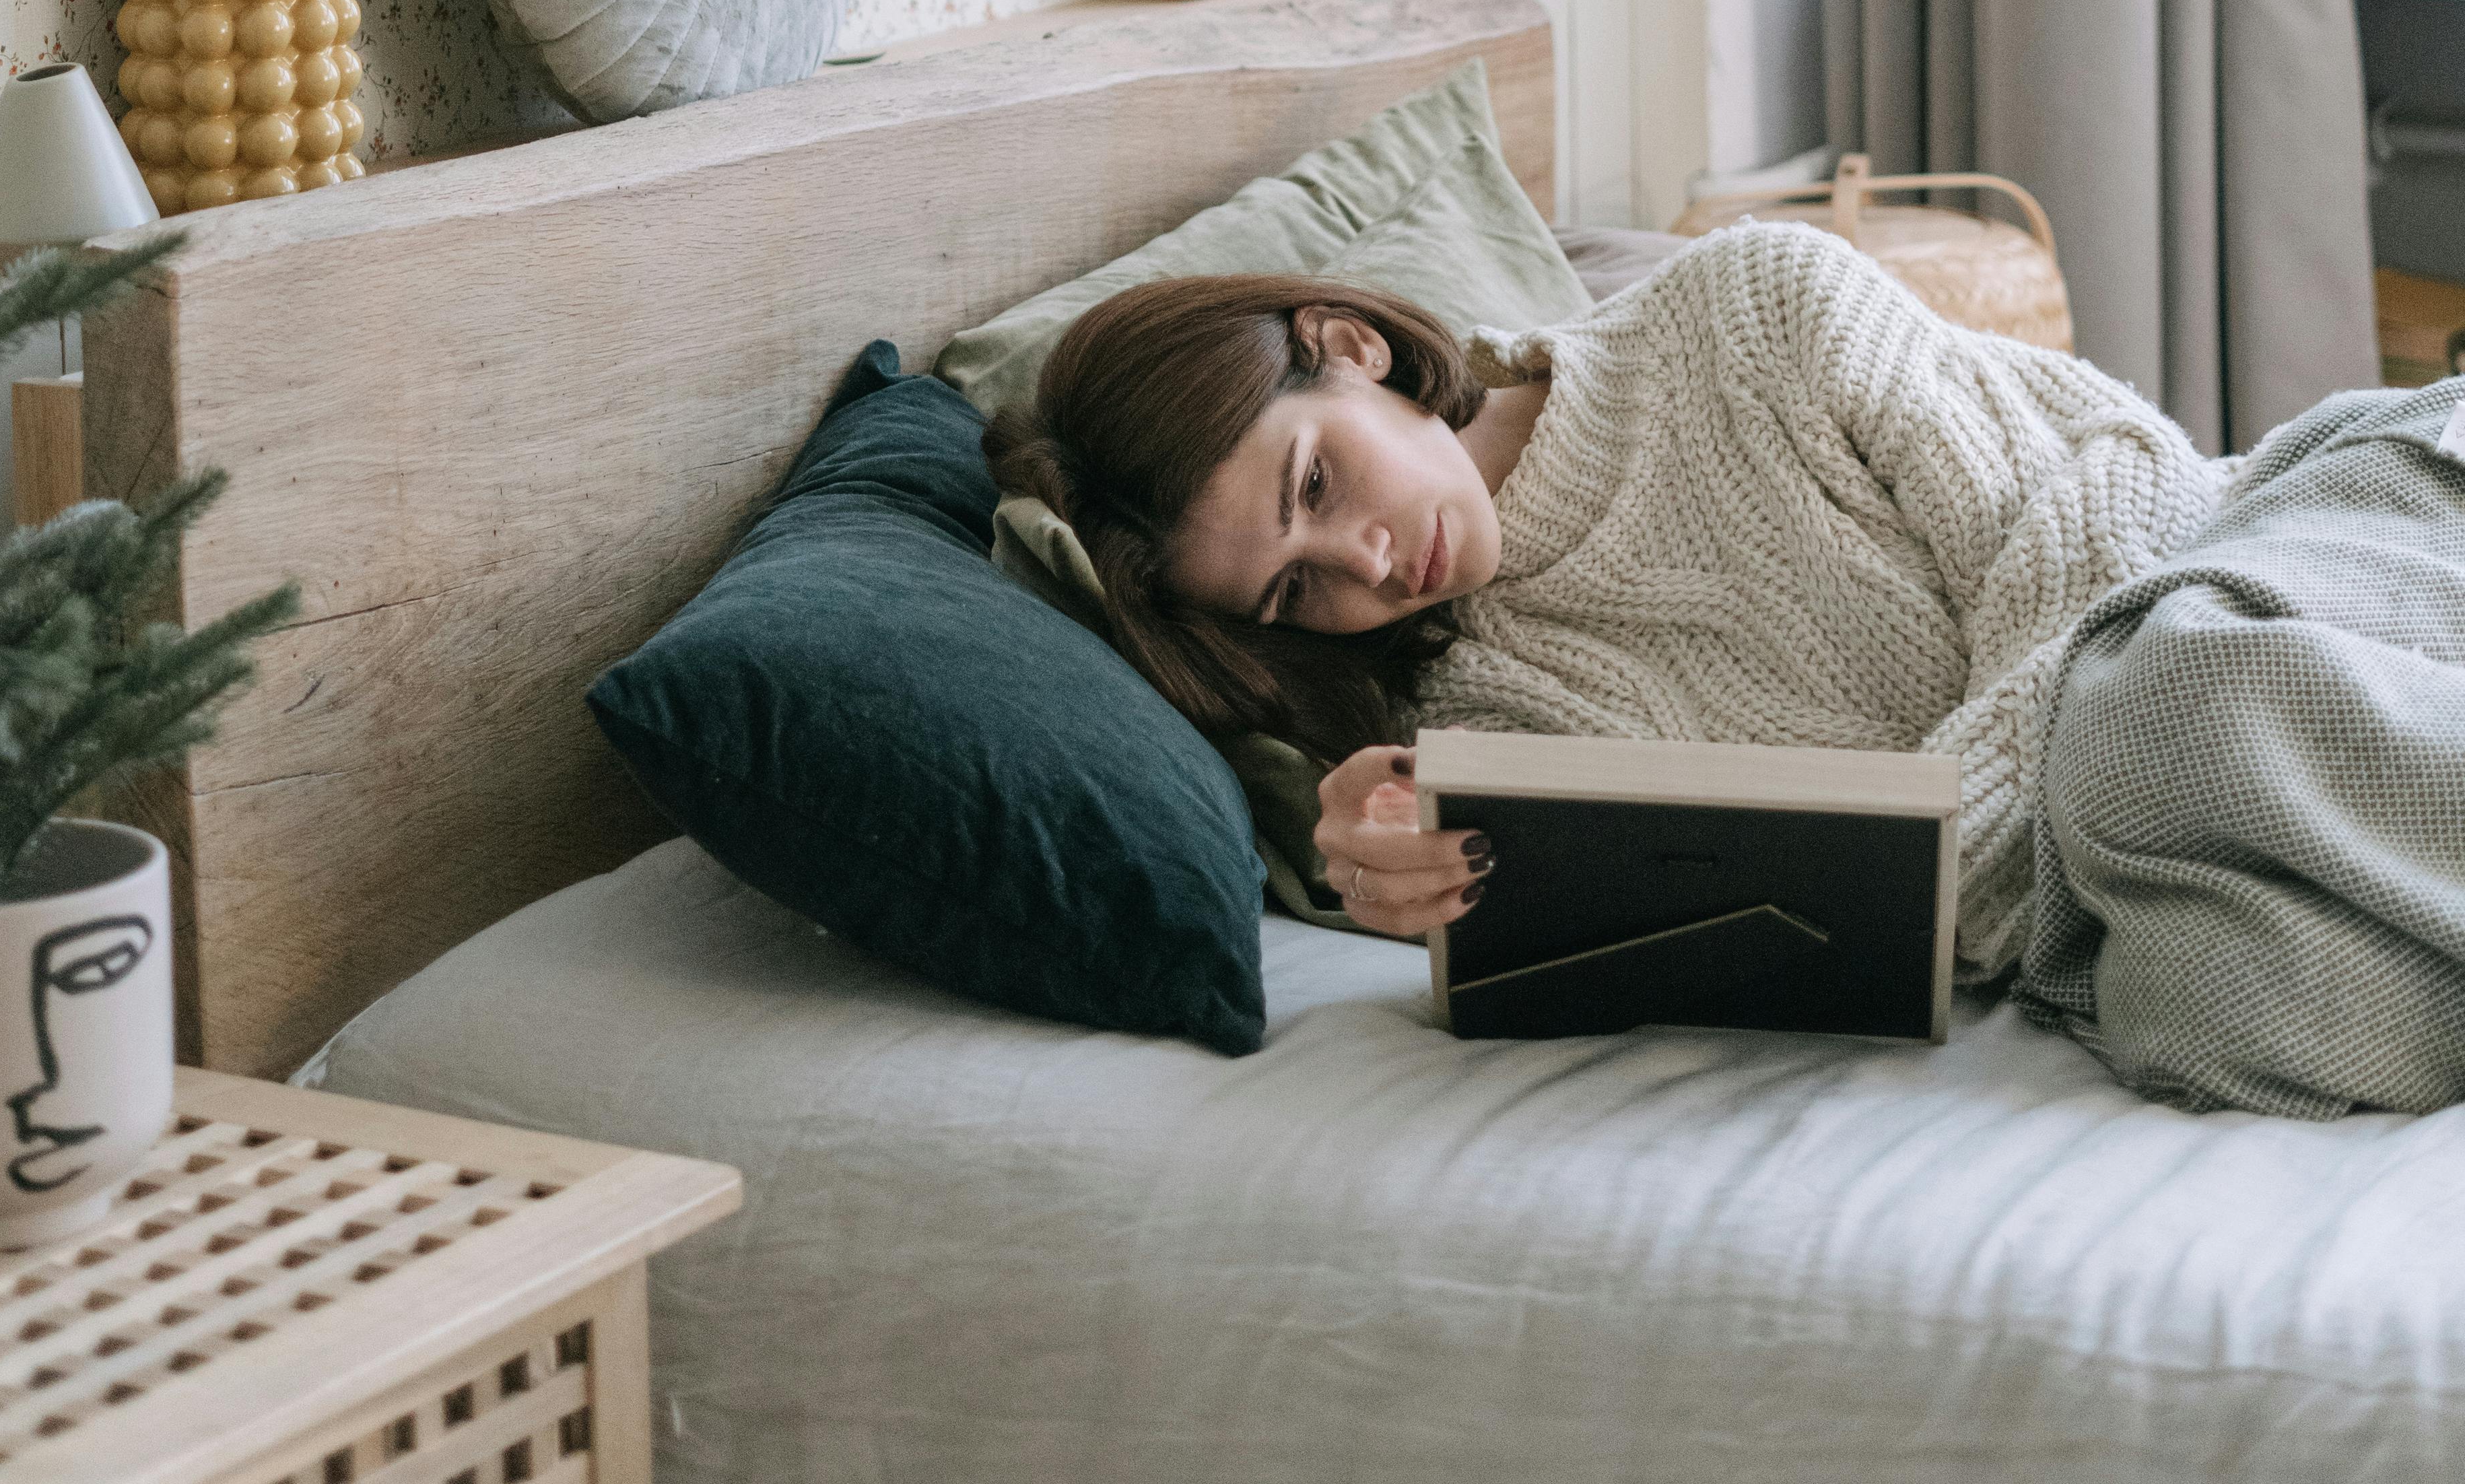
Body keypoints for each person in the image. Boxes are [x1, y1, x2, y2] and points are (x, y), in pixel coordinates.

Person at [984, 223, 2465, 1115]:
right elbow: (1774, 914)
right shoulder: (1474, 714)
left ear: (1349, 346)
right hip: (2140, 845)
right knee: (2216, 1016)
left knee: (2164, 701)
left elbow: (2106, 530)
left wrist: (1935, 843)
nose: (1365, 568)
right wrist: (1385, 891)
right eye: (1293, 592)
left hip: (2323, 549)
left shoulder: (1746, 309)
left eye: (1315, 489)